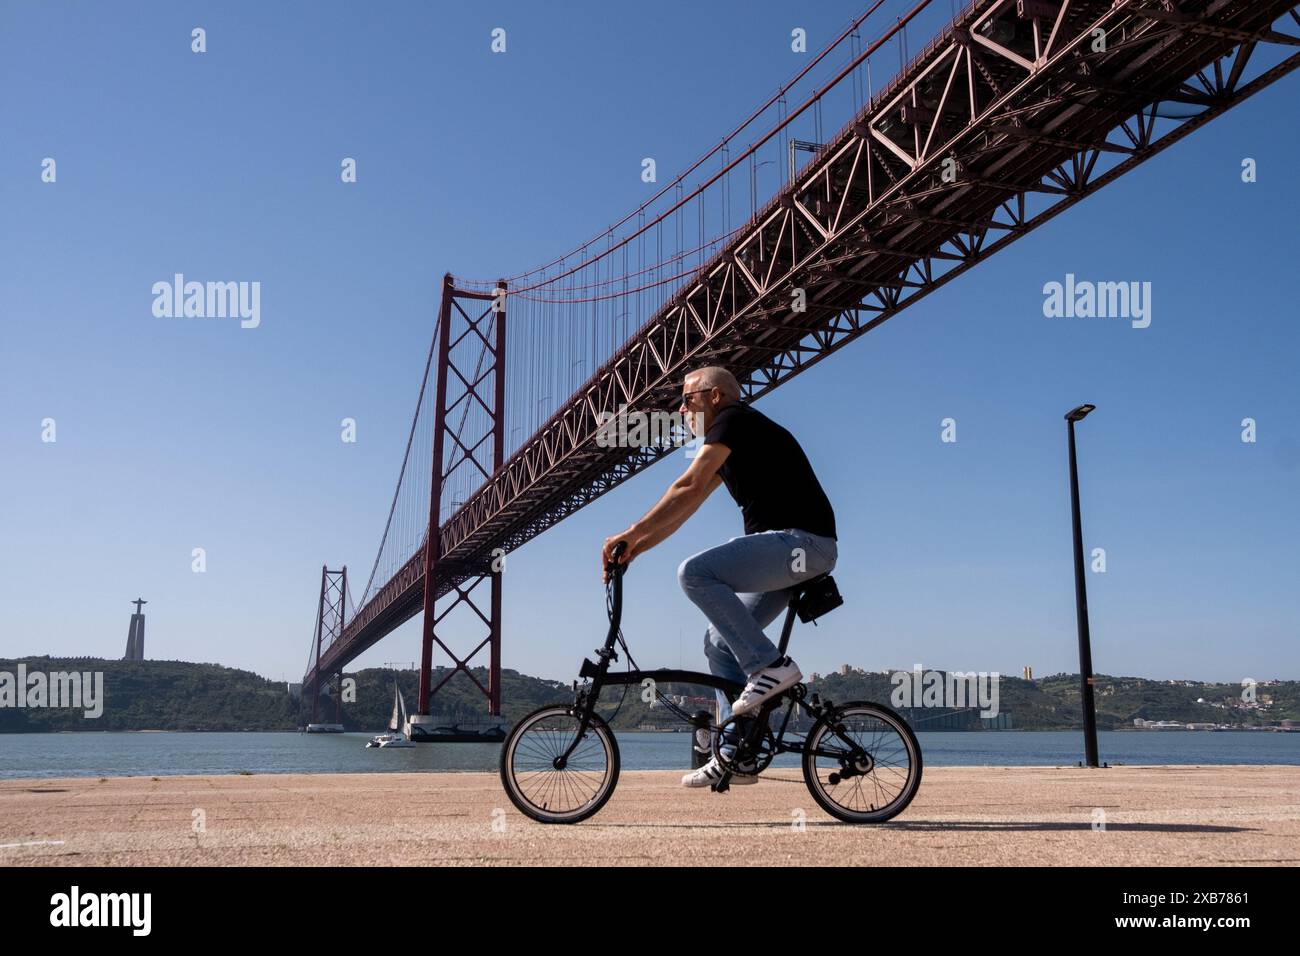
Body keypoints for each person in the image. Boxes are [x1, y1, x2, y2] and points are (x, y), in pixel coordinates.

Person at [601, 366, 838, 787]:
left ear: (714, 396)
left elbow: (687, 485)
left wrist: (628, 533)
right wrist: (636, 549)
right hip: (789, 554)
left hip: (803, 545)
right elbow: (686, 505)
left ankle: (770, 666)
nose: (681, 408)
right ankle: (737, 755)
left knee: (695, 572)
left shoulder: (735, 418)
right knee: (718, 644)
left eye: (687, 399)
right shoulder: (732, 443)